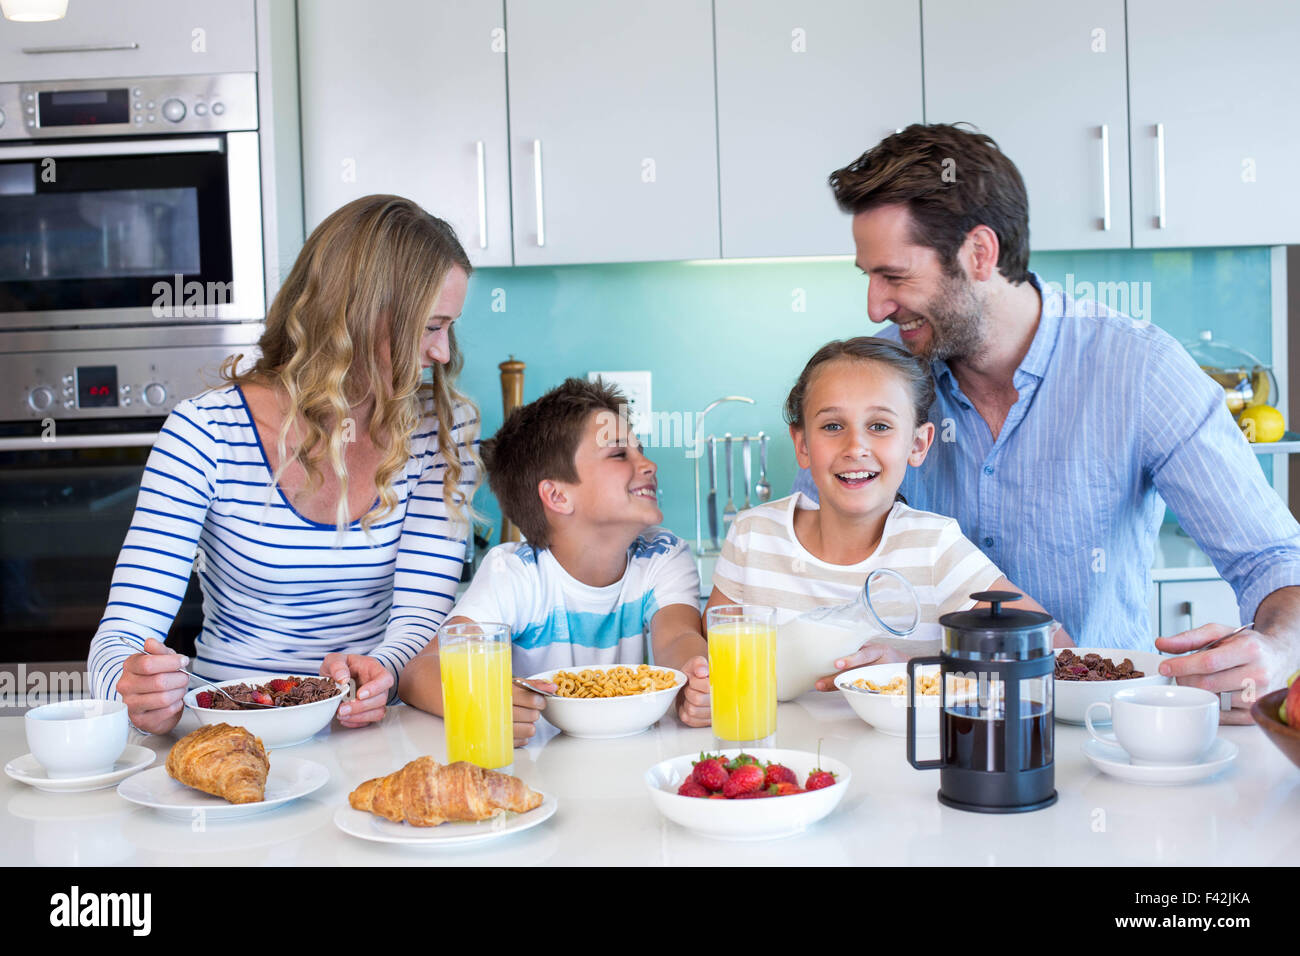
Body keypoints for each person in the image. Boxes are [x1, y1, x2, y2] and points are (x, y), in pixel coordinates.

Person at [793, 123, 1300, 722]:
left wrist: (1277, 646)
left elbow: (1271, 556)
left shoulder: (1138, 369)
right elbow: (809, 554)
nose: (876, 305)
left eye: (895, 277)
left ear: (980, 253)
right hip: (917, 727)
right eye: (869, 277)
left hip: (1099, 731)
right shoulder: (880, 379)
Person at [87, 195, 480, 734]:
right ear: (362, 317)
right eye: (432, 326)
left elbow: (421, 616)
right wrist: (129, 686)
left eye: (449, 327)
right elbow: (121, 634)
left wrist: (378, 670)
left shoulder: (441, 428)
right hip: (230, 731)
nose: (442, 351)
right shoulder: (204, 432)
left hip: (369, 731)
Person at [713, 337, 1069, 692]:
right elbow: (712, 658)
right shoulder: (754, 535)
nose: (855, 447)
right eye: (833, 426)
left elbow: (1056, 650)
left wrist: (911, 673)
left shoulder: (933, 548)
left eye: (880, 426)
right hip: (775, 747)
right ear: (803, 445)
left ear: (917, 445)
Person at [400, 378, 710, 743]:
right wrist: (477, 699)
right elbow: (418, 671)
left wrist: (696, 677)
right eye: (619, 454)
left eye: (639, 449)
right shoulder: (514, 573)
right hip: (536, 765)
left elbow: (677, 636)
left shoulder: (662, 555)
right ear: (558, 496)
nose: (648, 464)